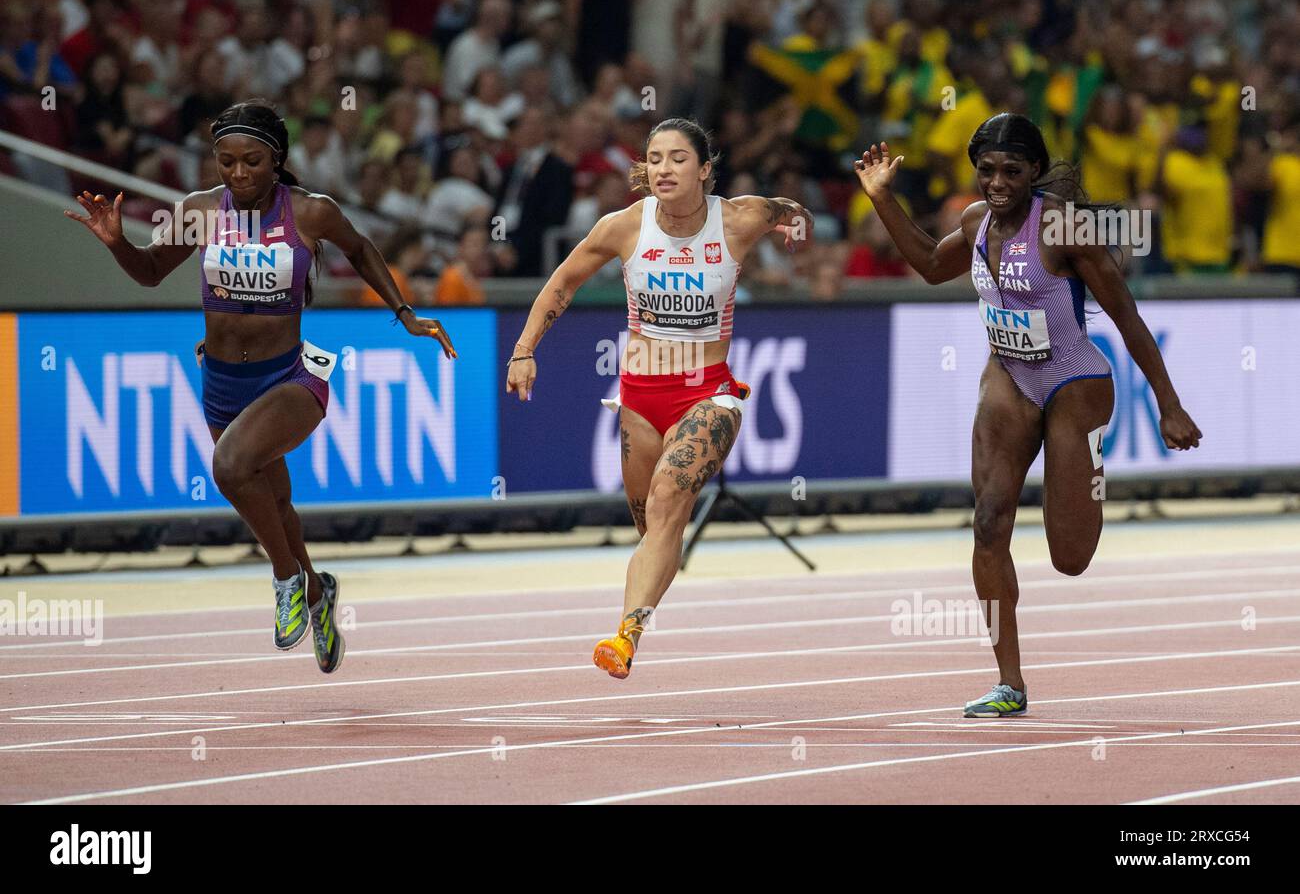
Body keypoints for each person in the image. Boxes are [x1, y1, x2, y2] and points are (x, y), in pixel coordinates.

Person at [64, 99, 458, 673]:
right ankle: (318, 593)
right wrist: (116, 242)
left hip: (290, 378)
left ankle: (286, 579)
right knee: (274, 500)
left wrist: (405, 313)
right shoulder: (199, 211)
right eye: (227, 162)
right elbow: (150, 272)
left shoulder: (309, 212)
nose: (239, 174)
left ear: (277, 160)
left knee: (228, 467)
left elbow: (361, 248)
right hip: (222, 382)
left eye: (252, 161)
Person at [854, 114, 1202, 717]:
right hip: (1009, 378)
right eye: (986, 171)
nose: (997, 182)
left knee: (1070, 558)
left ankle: (1081, 474)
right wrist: (882, 198)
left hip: (1075, 382)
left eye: (1012, 172)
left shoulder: (1068, 230)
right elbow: (932, 268)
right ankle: (1008, 683)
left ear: (1035, 172)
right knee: (988, 523)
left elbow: (1126, 317)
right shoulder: (973, 221)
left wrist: (1169, 404)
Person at [506, 117, 809, 678]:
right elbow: (562, 283)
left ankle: (625, 636)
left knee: (670, 499)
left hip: (709, 394)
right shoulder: (624, 227)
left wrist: (795, 225)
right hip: (639, 396)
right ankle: (648, 597)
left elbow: (789, 206)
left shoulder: (739, 219)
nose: (664, 169)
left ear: (706, 170)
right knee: (652, 527)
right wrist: (525, 349)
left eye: (678, 158)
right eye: (654, 159)